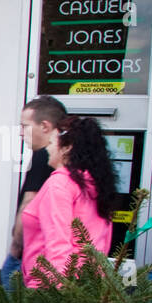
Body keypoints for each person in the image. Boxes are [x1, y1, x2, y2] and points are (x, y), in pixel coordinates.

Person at [22, 115, 115, 288]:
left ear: (66, 148)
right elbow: (102, 242)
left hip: (53, 291)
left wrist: (58, 295)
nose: (47, 150)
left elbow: (57, 242)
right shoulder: (94, 184)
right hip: (91, 286)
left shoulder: (60, 184)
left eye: (50, 144)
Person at [2, 96, 64, 288]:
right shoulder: (69, 159)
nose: (21, 133)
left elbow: (29, 204)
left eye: (25, 126)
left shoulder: (44, 157)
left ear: (45, 126)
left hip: (31, 258)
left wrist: (15, 249)